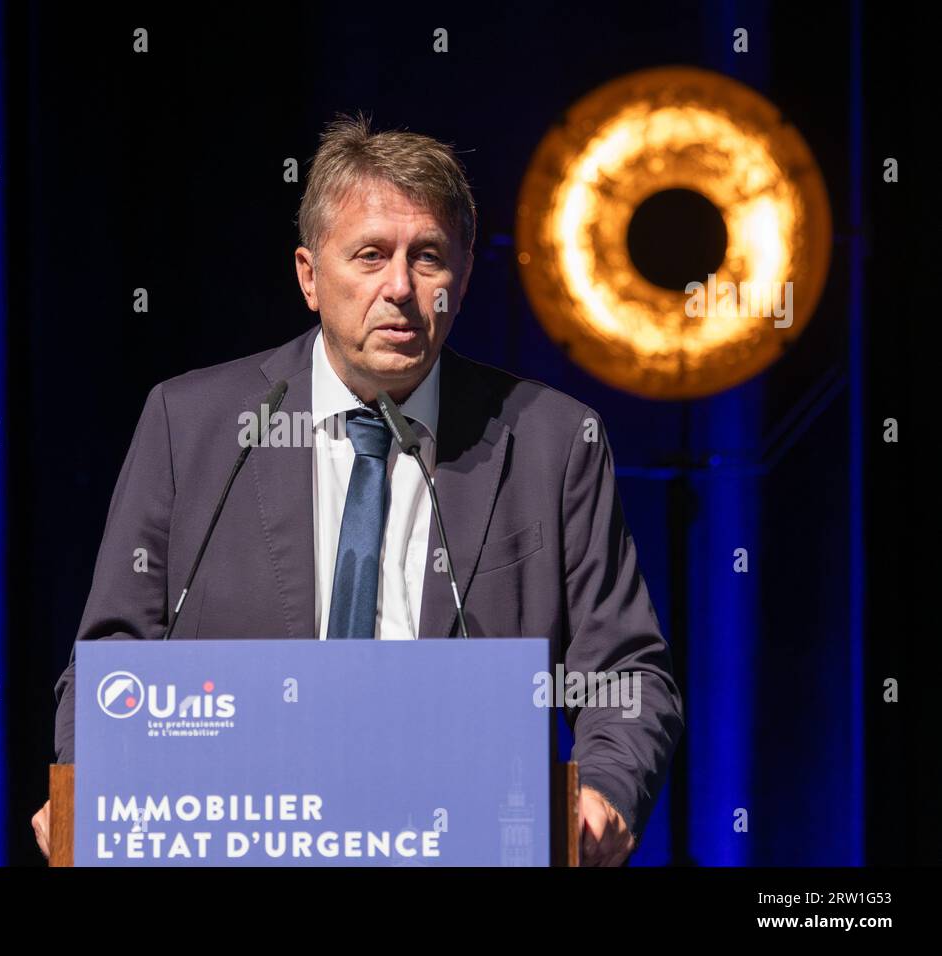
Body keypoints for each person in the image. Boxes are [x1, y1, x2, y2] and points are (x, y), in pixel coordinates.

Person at [33, 111, 683, 866]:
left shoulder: (552, 441)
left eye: (429, 258)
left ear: (463, 279)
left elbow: (625, 673)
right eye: (370, 256)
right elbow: (113, 656)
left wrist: (604, 789)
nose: (400, 288)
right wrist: (88, 785)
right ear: (310, 276)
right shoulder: (193, 423)